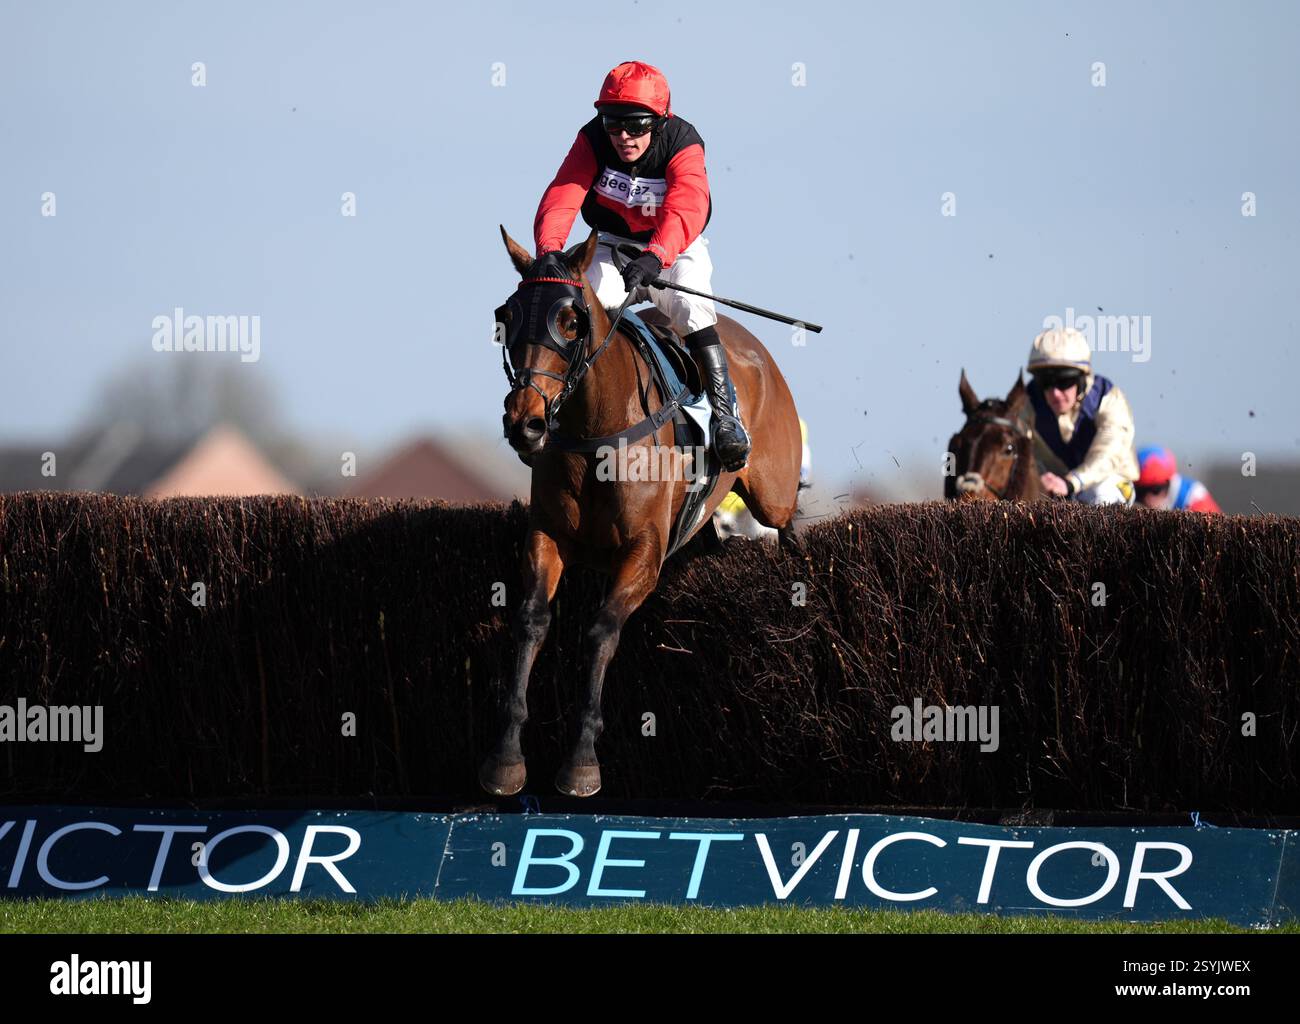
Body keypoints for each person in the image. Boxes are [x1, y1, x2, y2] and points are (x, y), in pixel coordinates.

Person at [532, 60, 751, 471]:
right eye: (613, 125)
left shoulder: (683, 141)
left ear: (660, 121)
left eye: (636, 126)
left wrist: (656, 256)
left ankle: (726, 418)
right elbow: (564, 193)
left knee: (692, 309)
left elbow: (688, 204)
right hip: (612, 243)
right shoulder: (592, 140)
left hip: (674, 246)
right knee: (583, 305)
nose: (623, 137)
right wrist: (548, 250)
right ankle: (561, 413)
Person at [1015, 327, 1139, 505]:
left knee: (1103, 494)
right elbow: (1019, 451)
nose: (1055, 393)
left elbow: (1107, 453)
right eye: (1046, 383)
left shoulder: (1107, 398)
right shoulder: (1028, 402)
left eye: (1064, 382)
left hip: (1108, 483)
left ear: (1082, 379)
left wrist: (1071, 482)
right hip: (1057, 489)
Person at [1135, 445, 1221, 512]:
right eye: (1141, 491)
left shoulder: (1194, 498)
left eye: (1156, 490)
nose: (1148, 499)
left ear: (1169, 482)